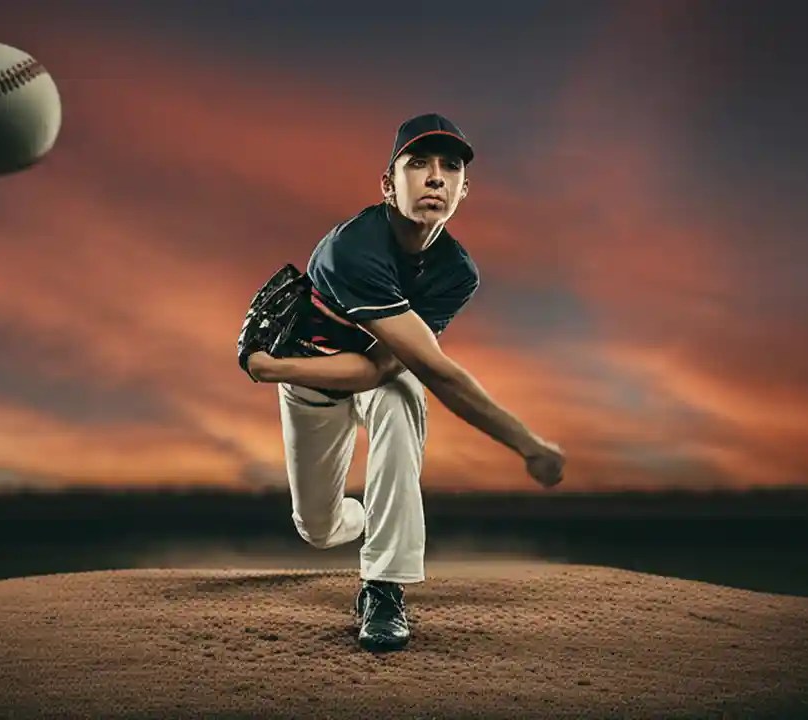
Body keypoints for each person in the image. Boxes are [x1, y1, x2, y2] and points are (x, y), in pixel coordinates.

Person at [243, 113, 566, 652]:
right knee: (317, 530)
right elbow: (391, 367)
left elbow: (383, 370)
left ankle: (383, 587)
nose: (436, 176)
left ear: (465, 189)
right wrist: (282, 373)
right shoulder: (352, 248)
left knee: (404, 393)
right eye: (418, 163)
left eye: (450, 166)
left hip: (348, 373)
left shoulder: (457, 272)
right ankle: (365, 517)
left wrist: (272, 367)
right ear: (388, 184)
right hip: (314, 386)